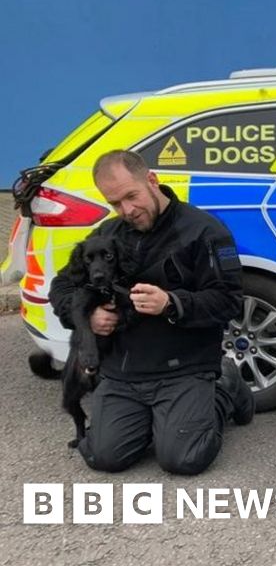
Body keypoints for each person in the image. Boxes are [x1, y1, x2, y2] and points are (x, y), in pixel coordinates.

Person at [49, 149, 253, 475]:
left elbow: (229, 300)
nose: (127, 210)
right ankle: (154, 420)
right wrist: (88, 316)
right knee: (103, 456)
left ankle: (225, 388)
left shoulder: (204, 230)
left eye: (132, 196)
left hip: (183, 366)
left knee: (183, 459)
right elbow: (62, 286)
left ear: (152, 180)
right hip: (123, 370)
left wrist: (172, 303)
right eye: (116, 203)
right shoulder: (107, 234)